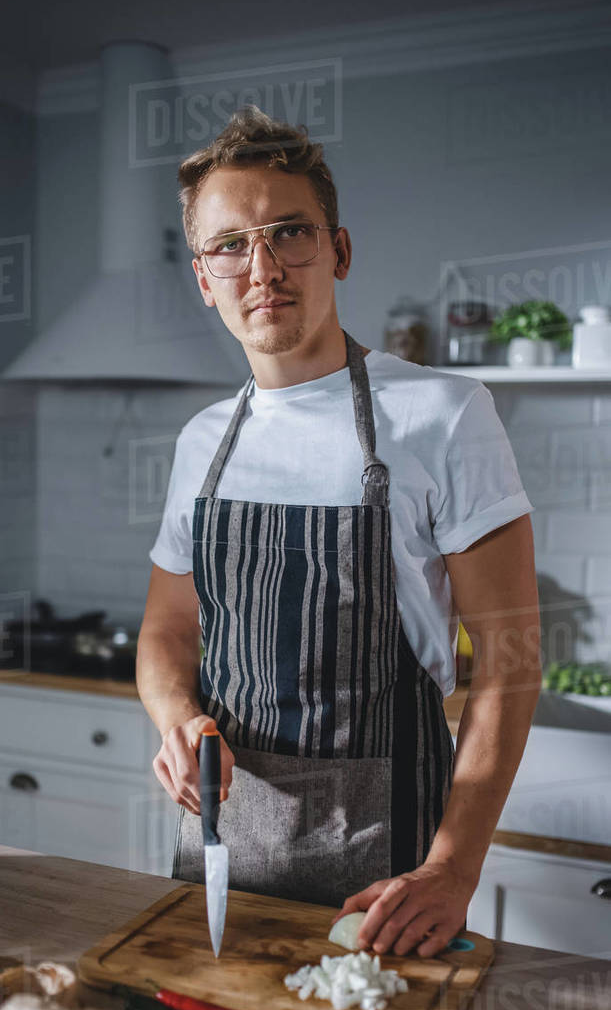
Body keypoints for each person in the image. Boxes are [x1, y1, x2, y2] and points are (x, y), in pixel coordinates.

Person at [137, 106, 541, 959]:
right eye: (229, 246)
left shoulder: (443, 412)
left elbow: (509, 660)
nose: (262, 267)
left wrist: (453, 869)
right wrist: (176, 717)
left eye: (289, 233)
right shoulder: (202, 440)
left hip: (390, 860)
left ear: (339, 250)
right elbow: (167, 630)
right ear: (203, 277)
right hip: (226, 836)